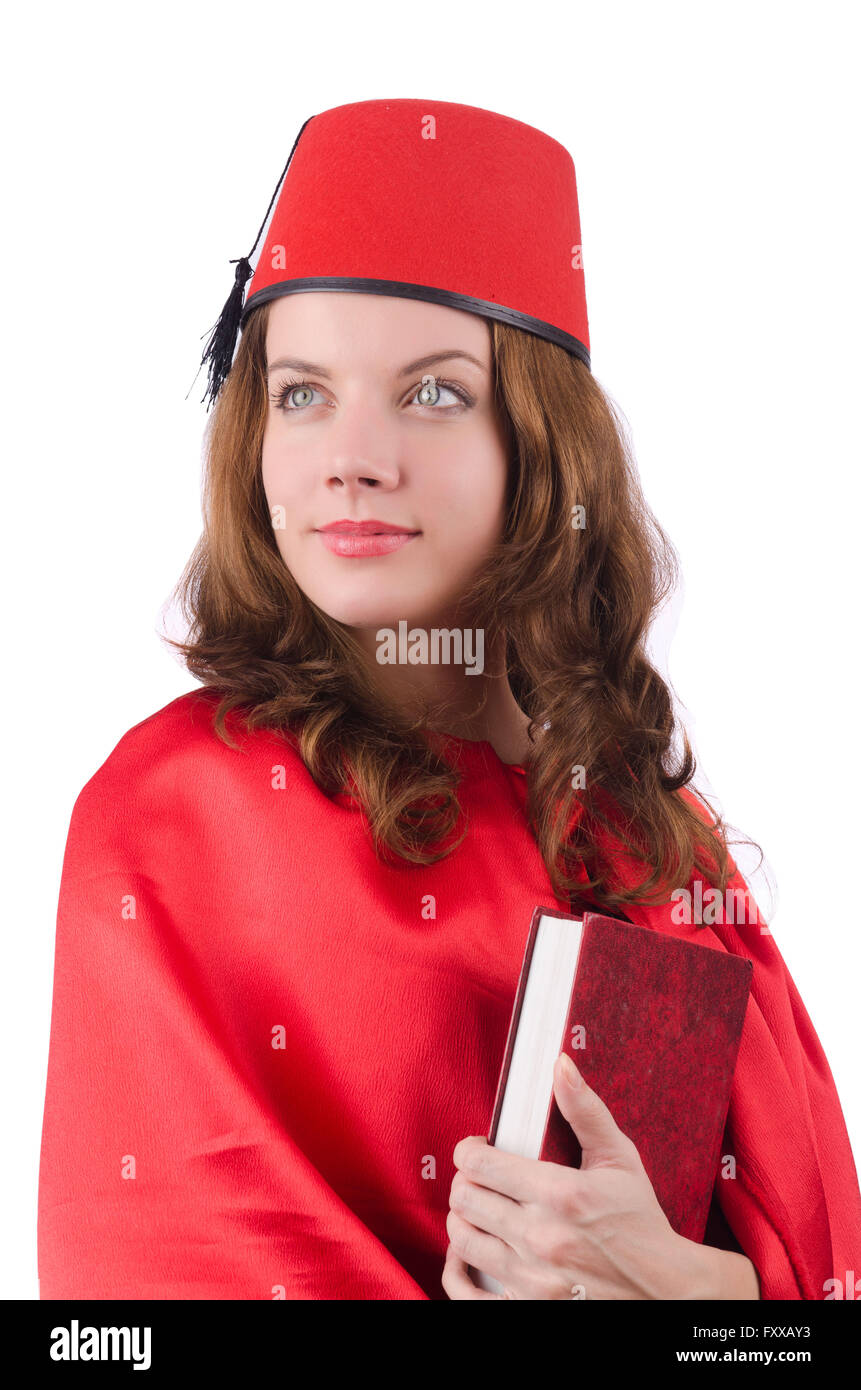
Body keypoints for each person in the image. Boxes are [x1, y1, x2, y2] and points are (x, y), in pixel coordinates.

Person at [37, 98, 861, 1301]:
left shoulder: (652, 843)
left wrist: (698, 1300)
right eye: (302, 391)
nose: (351, 455)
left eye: (432, 394)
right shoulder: (169, 821)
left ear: (540, 445)